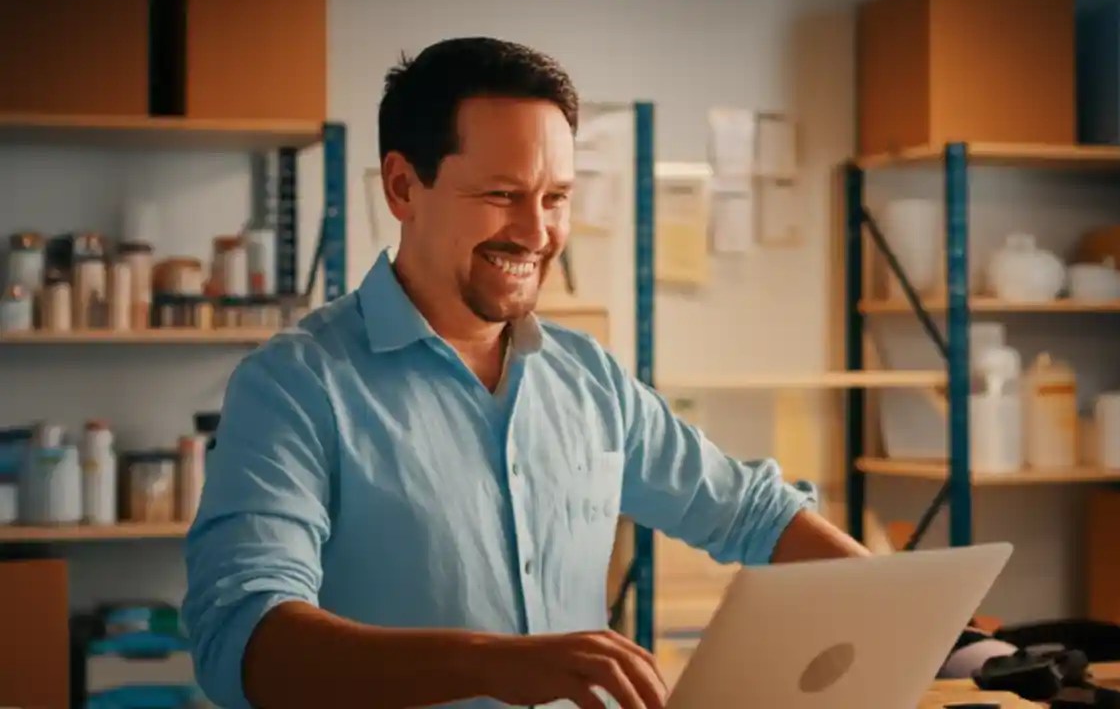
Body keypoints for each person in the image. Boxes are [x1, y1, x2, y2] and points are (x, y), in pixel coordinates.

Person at [182, 36, 870, 709]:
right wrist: (489, 665)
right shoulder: (296, 386)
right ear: (402, 186)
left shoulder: (589, 379)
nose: (538, 234)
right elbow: (242, 640)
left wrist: (912, 610)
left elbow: (755, 514)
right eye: (502, 194)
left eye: (555, 198)